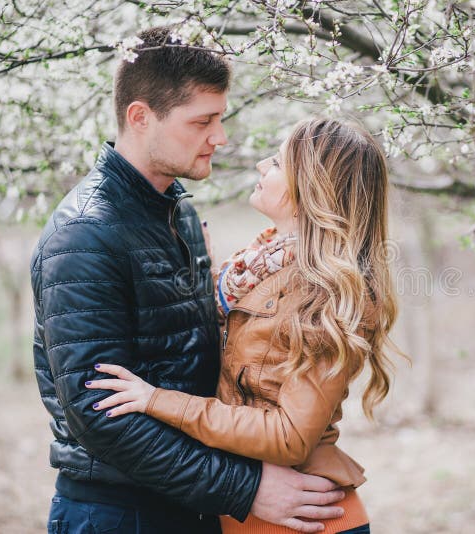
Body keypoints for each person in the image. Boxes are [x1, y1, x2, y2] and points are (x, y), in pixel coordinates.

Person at [30, 26, 346, 534]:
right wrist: (245, 487)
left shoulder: (177, 215)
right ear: (140, 117)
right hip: (119, 513)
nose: (219, 138)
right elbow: (99, 412)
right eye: (202, 121)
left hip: (192, 504)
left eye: (220, 119)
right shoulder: (85, 234)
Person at [84, 117, 400, 534]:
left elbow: (290, 436)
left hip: (301, 519)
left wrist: (157, 400)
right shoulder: (257, 265)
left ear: (310, 187)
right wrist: (202, 275)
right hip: (250, 510)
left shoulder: (326, 295)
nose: (259, 167)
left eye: (275, 163)